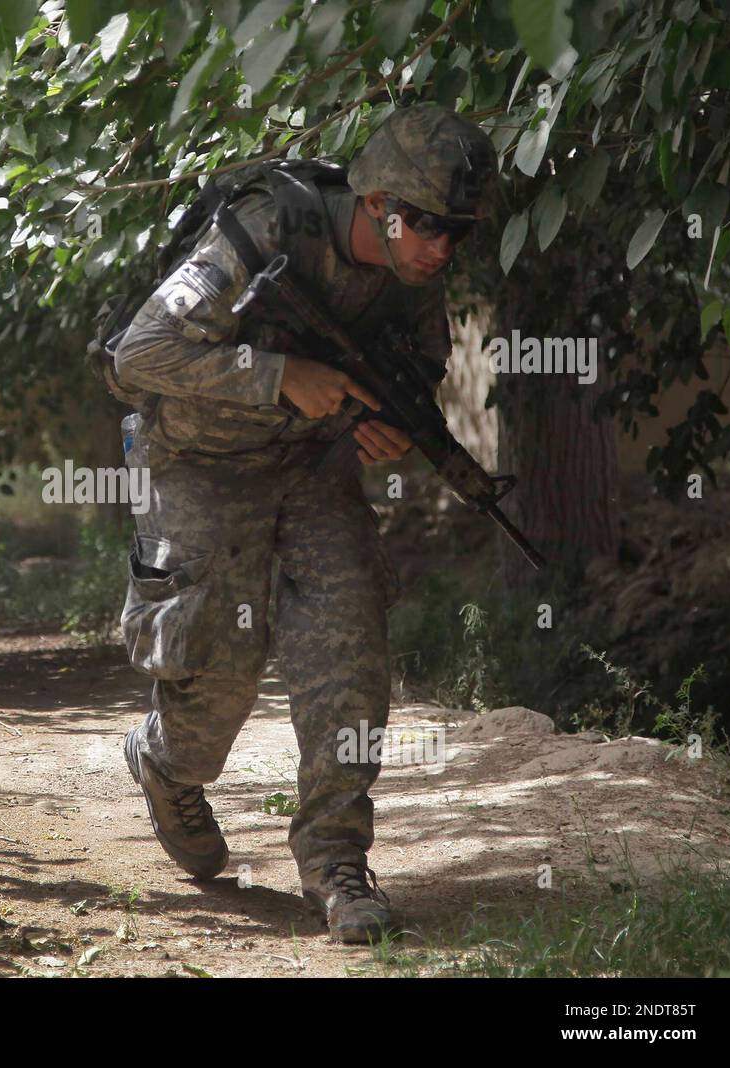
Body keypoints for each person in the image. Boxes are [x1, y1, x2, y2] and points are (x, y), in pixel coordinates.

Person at [112, 105, 498, 943]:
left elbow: (412, 375)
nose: (442, 246)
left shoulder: (412, 279)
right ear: (378, 201)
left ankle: (336, 862)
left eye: (458, 232)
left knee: (349, 653)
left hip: (313, 475)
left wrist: (384, 429)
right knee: (216, 676)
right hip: (199, 466)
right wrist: (277, 374)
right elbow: (136, 354)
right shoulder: (264, 228)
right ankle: (167, 765)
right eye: (428, 224)